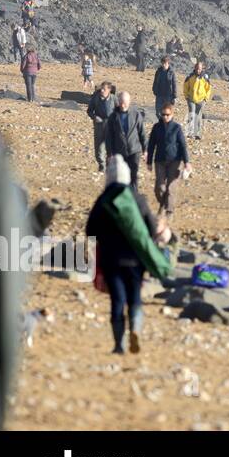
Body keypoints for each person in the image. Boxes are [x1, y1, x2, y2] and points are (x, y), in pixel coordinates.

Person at [86, 155, 172, 354]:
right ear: (126, 177)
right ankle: (135, 329)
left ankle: (119, 345)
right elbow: (151, 228)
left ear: (109, 177)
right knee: (134, 298)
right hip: (135, 259)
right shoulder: (137, 199)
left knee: (117, 299)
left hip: (111, 258)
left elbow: (90, 230)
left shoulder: (103, 200)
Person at [145, 101, 190, 219]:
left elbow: (183, 145)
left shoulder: (177, 128)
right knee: (159, 188)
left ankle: (169, 211)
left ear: (172, 115)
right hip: (159, 160)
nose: (165, 117)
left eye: (167, 115)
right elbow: (151, 145)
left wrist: (187, 162)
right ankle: (163, 205)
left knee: (171, 187)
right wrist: (149, 162)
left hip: (175, 161)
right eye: (163, 114)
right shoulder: (156, 127)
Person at [103, 91, 146, 188]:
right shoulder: (113, 117)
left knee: (133, 175)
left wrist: (145, 149)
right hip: (119, 152)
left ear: (129, 102)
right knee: (121, 177)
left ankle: (134, 196)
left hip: (134, 150)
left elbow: (142, 132)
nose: (122, 105)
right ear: (118, 102)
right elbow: (109, 137)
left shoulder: (136, 115)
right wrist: (109, 153)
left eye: (125, 102)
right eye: (121, 102)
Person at [86, 81, 116, 172]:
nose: (102, 91)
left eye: (104, 89)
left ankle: (109, 165)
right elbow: (89, 111)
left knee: (111, 148)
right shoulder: (95, 98)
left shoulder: (114, 99)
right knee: (99, 148)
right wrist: (94, 117)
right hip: (99, 125)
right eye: (101, 89)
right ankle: (101, 165)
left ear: (109, 90)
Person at [182, 62, 211, 140]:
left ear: (202, 69)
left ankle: (197, 133)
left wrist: (205, 99)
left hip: (201, 100)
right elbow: (185, 86)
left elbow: (208, 88)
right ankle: (190, 133)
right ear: (195, 68)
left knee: (198, 116)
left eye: (200, 69)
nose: (198, 70)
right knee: (191, 115)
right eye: (197, 68)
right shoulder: (190, 76)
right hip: (191, 99)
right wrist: (186, 97)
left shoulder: (205, 77)